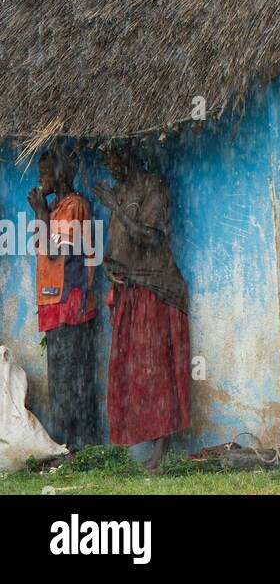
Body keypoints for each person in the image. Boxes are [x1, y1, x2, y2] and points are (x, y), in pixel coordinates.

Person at [95, 144, 190, 469]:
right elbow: (117, 245)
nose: (109, 166)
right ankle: (142, 448)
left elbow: (150, 237)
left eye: (112, 158)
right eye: (105, 160)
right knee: (132, 372)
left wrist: (115, 207)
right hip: (131, 292)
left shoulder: (153, 187)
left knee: (157, 371)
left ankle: (162, 451)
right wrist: (110, 267)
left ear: (128, 154)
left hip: (157, 290)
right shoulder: (120, 191)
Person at [28, 143, 97, 453]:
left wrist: (41, 213)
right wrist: (44, 214)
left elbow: (57, 251)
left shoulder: (73, 206)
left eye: (45, 172)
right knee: (61, 379)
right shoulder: (57, 208)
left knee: (73, 379)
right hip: (54, 304)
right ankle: (68, 446)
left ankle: (80, 448)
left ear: (61, 173)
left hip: (70, 303)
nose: (41, 178)